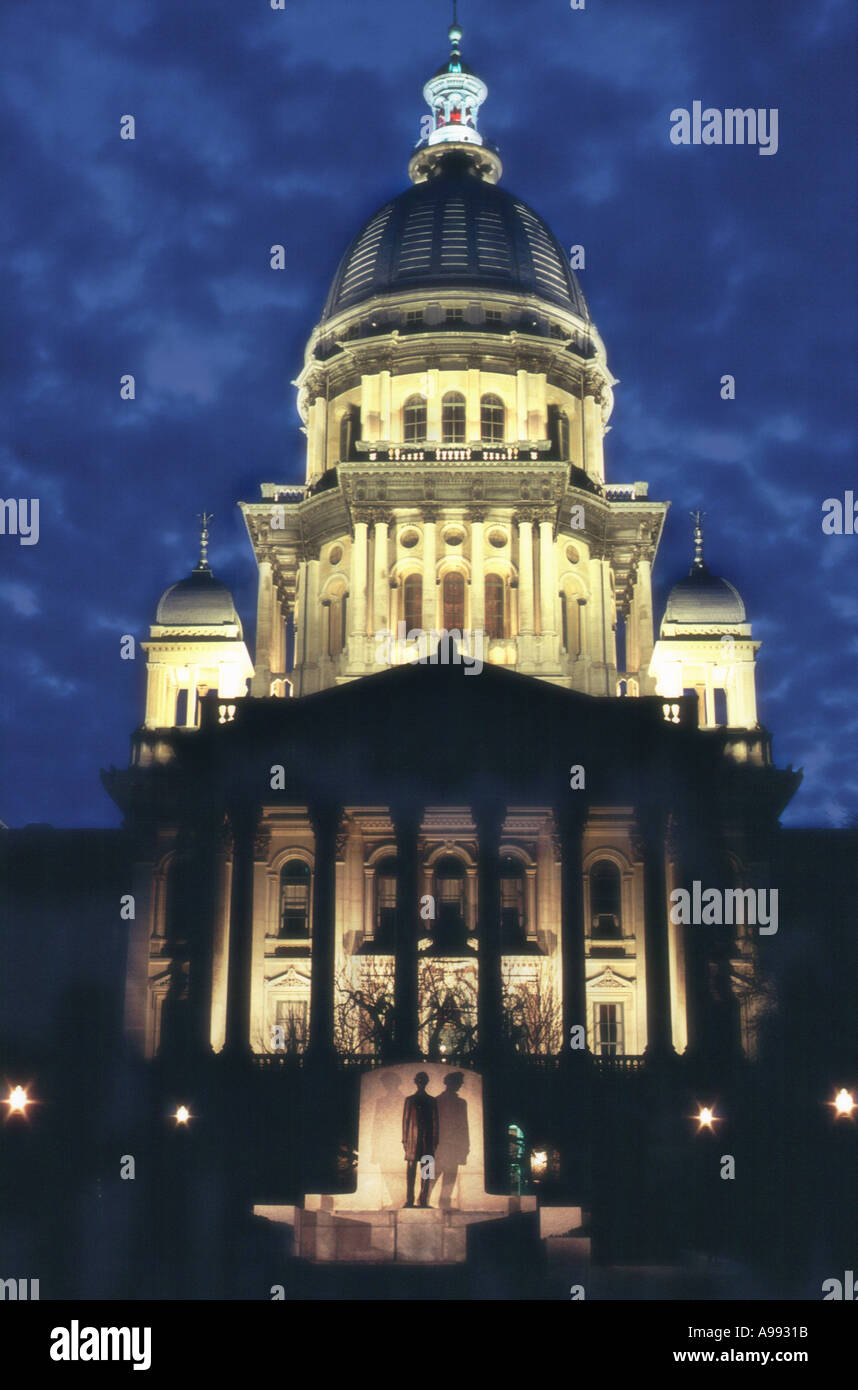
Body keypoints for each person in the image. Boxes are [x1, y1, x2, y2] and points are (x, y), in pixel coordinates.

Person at [402, 1072, 439, 1208]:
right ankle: (409, 1200)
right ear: (415, 1082)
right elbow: (405, 1121)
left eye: (423, 1080)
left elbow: (435, 1122)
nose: (421, 1083)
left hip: (428, 1140)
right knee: (411, 1171)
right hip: (412, 1140)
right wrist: (405, 1140)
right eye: (419, 1080)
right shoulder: (410, 1100)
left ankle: (423, 1200)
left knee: (427, 1171)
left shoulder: (432, 1100)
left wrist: (435, 1141)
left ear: (427, 1082)